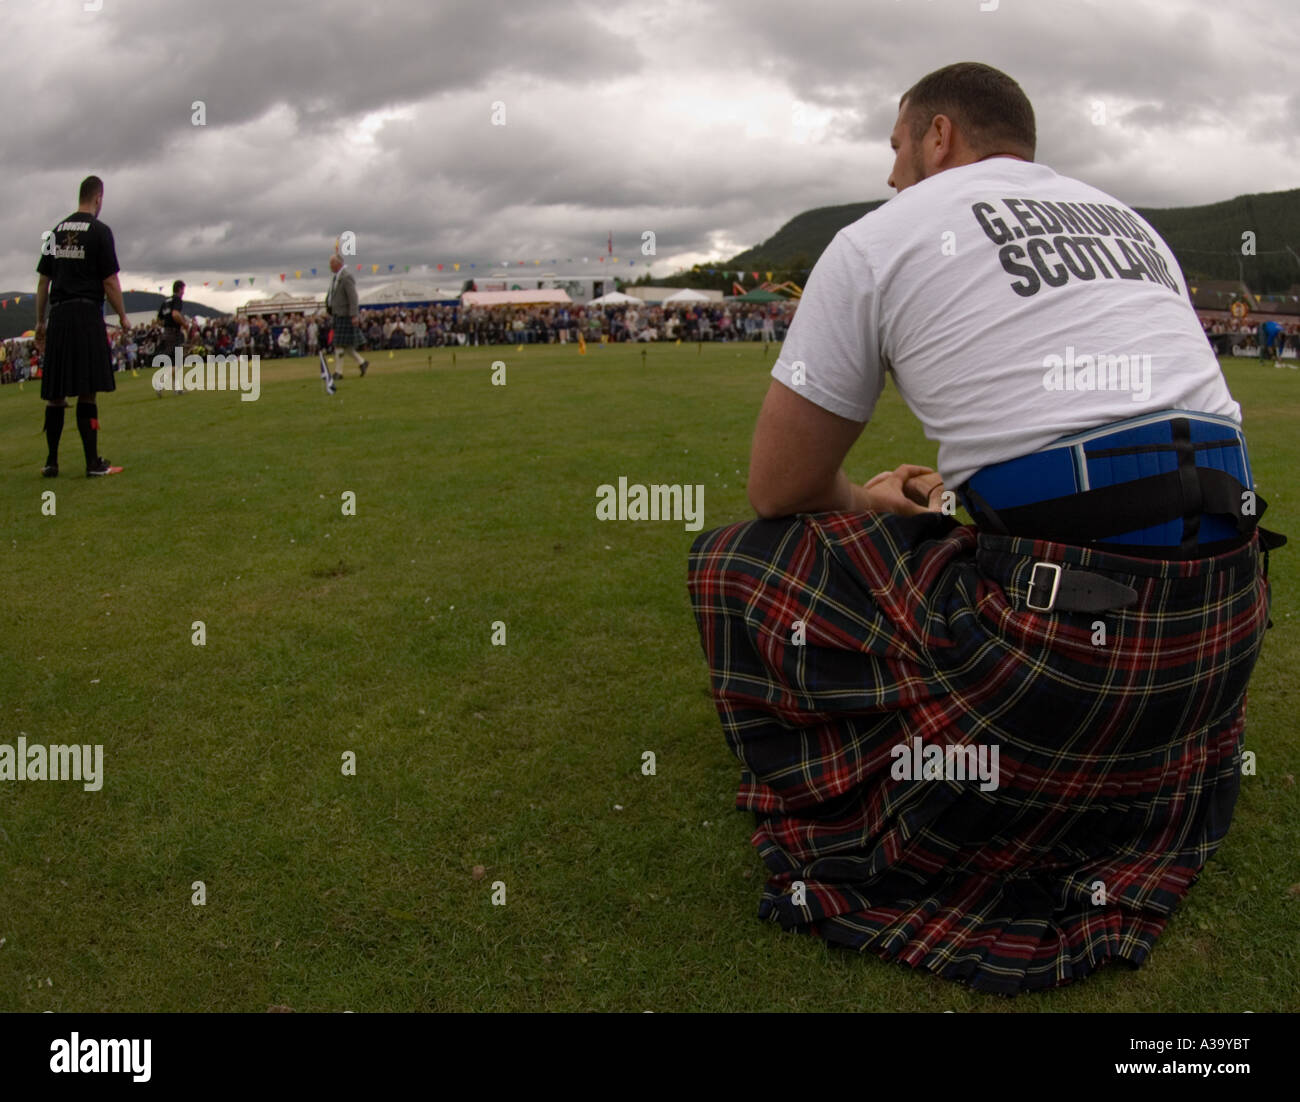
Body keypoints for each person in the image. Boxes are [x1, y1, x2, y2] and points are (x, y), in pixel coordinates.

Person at [687, 62, 1282, 994]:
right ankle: (1111, 786)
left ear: (937, 136)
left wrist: (876, 499)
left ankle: (895, 788)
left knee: (741, 557)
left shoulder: (878, 237)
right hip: (1221, 640)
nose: (889, 176)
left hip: (1062, 663)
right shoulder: (1134, 225)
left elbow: (781, 486)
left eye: (894, 149)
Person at [33, 175, 126, 477]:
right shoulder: (100, 231)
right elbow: (109, 281)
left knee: (56, 393)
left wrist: (39, 322)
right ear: (98, 198)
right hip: (86, 315)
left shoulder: (56, 232)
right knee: (86, 391)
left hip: (59, 316)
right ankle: (92, 463)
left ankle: (51, 461)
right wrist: (123, 316)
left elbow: (43, 282)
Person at [325, 254, 368, 382]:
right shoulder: (336, 278)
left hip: (345, 315)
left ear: (338, 264)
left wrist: (354, 315)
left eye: (331, 263)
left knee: (339, 344)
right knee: (345, 345)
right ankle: (362, 362)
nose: (330, 266)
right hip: (337, 314)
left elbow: (353, 297)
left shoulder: (346, 277)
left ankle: (338, 372)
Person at [155, 278, 187, 395]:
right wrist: (184, 324)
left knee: (173, 362)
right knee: (178, 363)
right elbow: (175, 314)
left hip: (167, 334)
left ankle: (177, 388)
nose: (184, 292)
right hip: (175, 333)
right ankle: (160, 382)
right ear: (179, 289)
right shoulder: (177, 299)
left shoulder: (165, 301)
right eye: (183, 290)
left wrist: (167, 325)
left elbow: (158, 320)